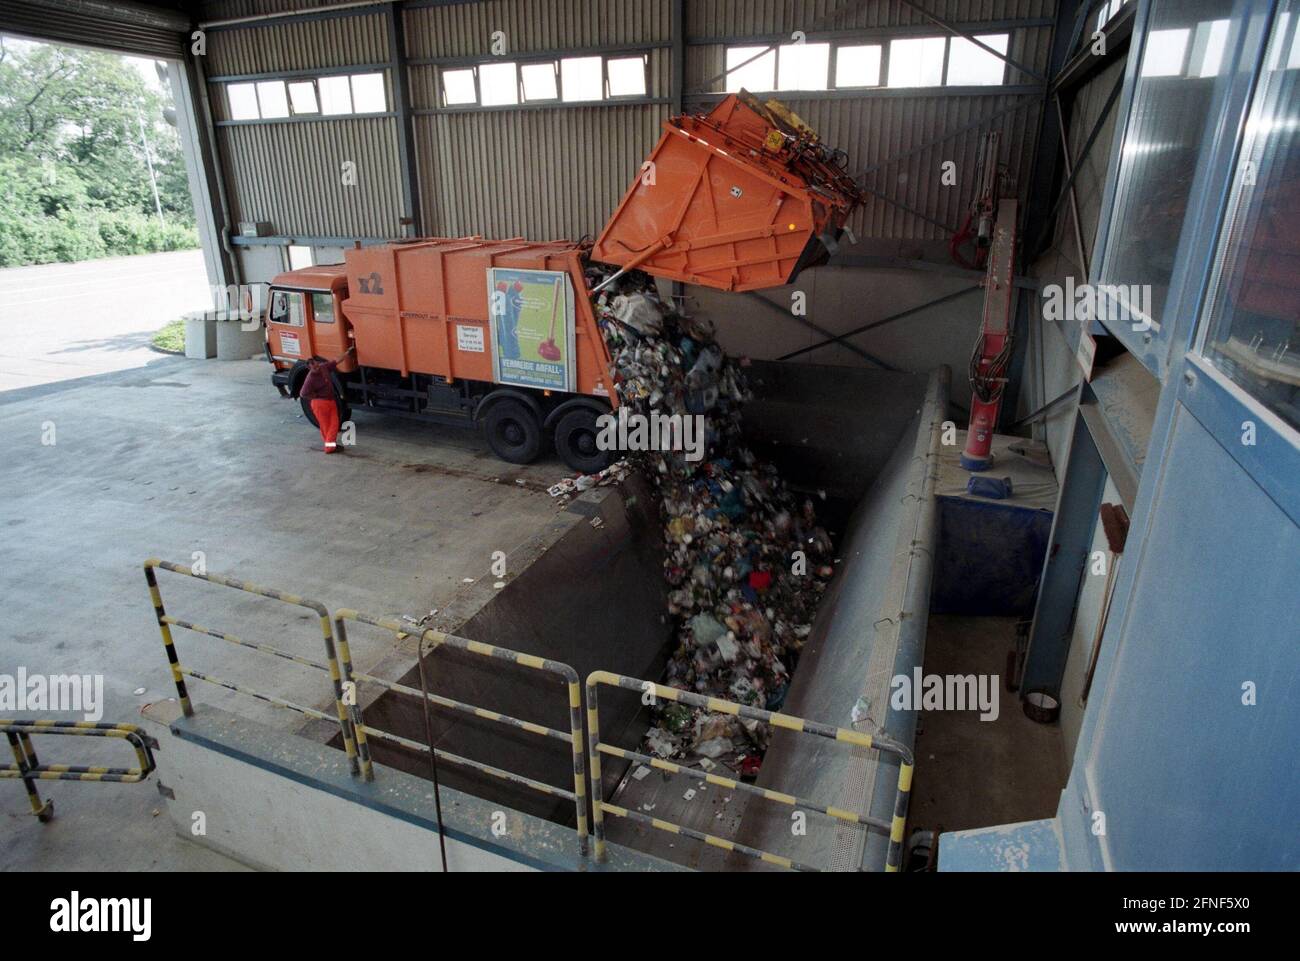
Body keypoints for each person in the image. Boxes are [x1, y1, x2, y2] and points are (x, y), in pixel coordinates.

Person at [299, 346, 354, 453]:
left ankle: (330, 445)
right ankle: (329, 447)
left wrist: (347, 353)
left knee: (334, 424)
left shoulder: (324, 367)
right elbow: (303, 393)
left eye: (316, 364)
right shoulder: (310, 379)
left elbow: (336, 361)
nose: (316, 367)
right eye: (313, 367)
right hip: (320, 403)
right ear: (309, 369)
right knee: (326, 426)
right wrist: (315, 396)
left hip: (330, 401)